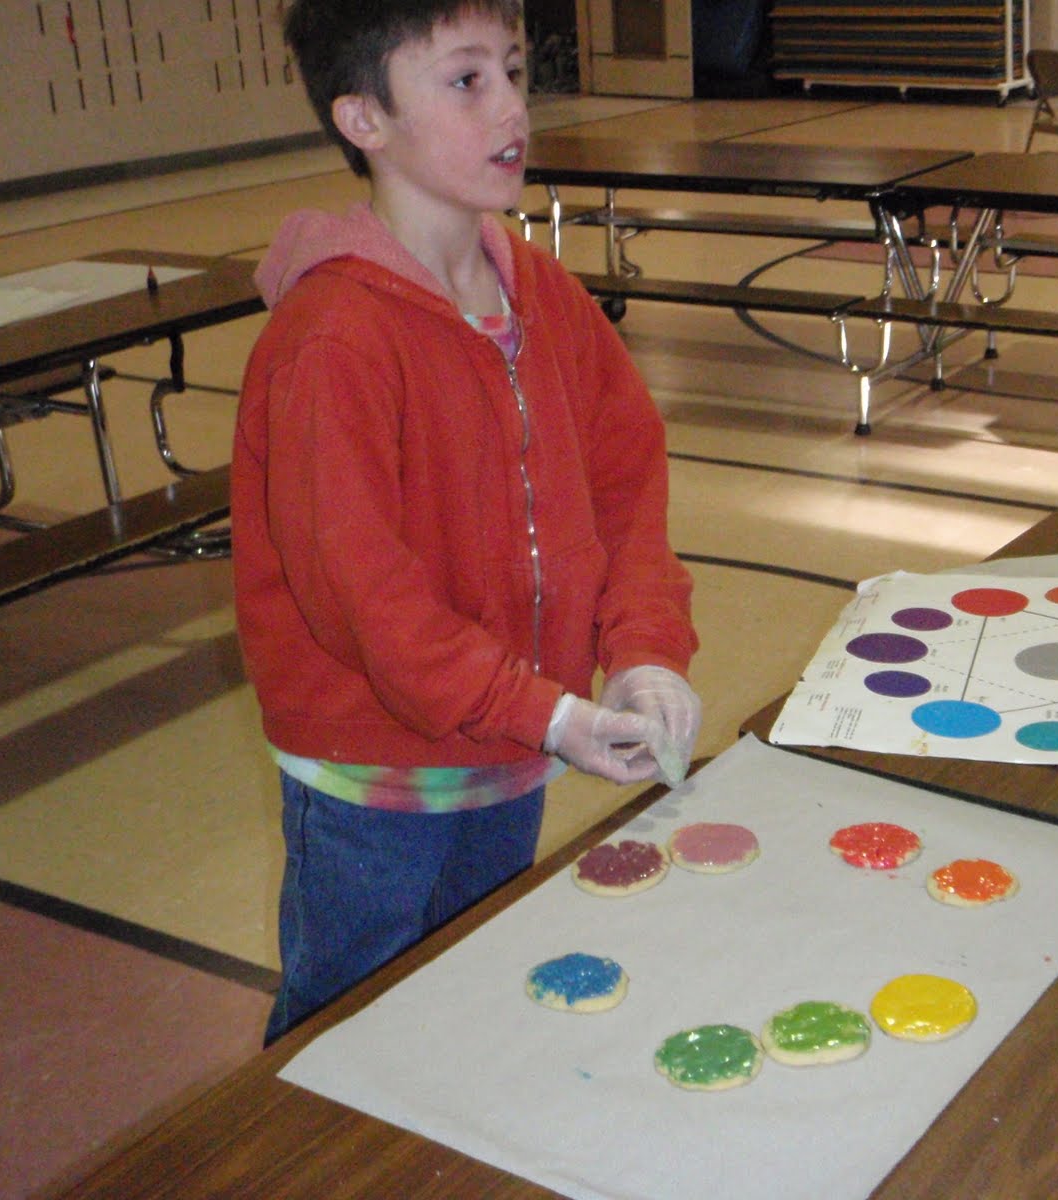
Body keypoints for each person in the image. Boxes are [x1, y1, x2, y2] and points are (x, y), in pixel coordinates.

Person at [233, 0, 700, 1043]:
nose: (511, 108)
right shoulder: (334, 339)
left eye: (514, 71)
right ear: (364, 120)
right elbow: (363, 594)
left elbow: (627, 481)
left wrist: (642, 656)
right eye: (464, 80)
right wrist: (548, 713)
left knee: (470, 1007)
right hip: (374, 784)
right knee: (345, 1036)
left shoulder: (537, 294)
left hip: (510, 755)